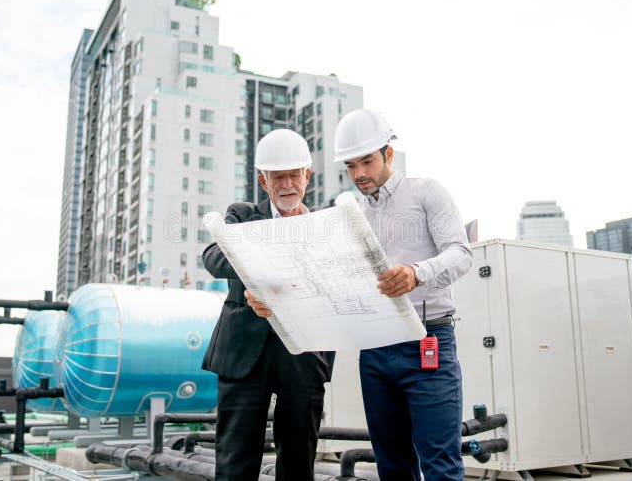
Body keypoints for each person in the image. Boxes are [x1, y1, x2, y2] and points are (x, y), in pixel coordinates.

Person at [334, 108, 473, 480]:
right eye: (351, 166)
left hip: (428, 339)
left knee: (440, 463)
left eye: (367, 161)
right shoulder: (351, 215)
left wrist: (416, 274)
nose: (359, 173)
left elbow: (461, 254)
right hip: (376, 347)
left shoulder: (427, 193)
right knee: (392, 465)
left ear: (388, 155)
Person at [201, 129, 334, 481]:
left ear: (308, 175)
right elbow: (214, 258)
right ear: (263, 180)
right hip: (245, 355)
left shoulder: (324, 229)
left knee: (298, 465)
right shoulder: (241, 216)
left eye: (295, 174)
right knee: (234, 464)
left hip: (304, 355)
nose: (288, 184)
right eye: (278, 176)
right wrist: (260, 277)